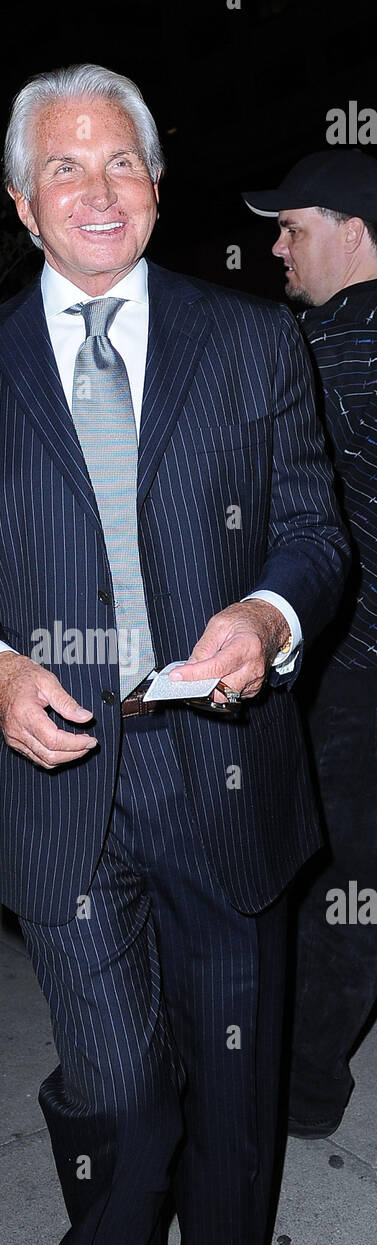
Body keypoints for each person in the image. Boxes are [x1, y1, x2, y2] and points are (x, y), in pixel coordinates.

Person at [0, 65, 349, 1245]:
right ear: (21, 201)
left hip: (226, 769)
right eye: (66, 167)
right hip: (60, 782)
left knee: (235, 1094)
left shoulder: (255, 339)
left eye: (122, 164)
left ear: (154, 186)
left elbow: (316, 532)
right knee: (123, 1102)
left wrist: (266, 615)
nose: (97, 192)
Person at [244, 150, 377, 1140]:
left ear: (355, 232)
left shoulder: (326, 349)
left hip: (351, 674)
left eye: (293, 228)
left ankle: (303, 1089)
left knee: (333, 881)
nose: (275, 244)